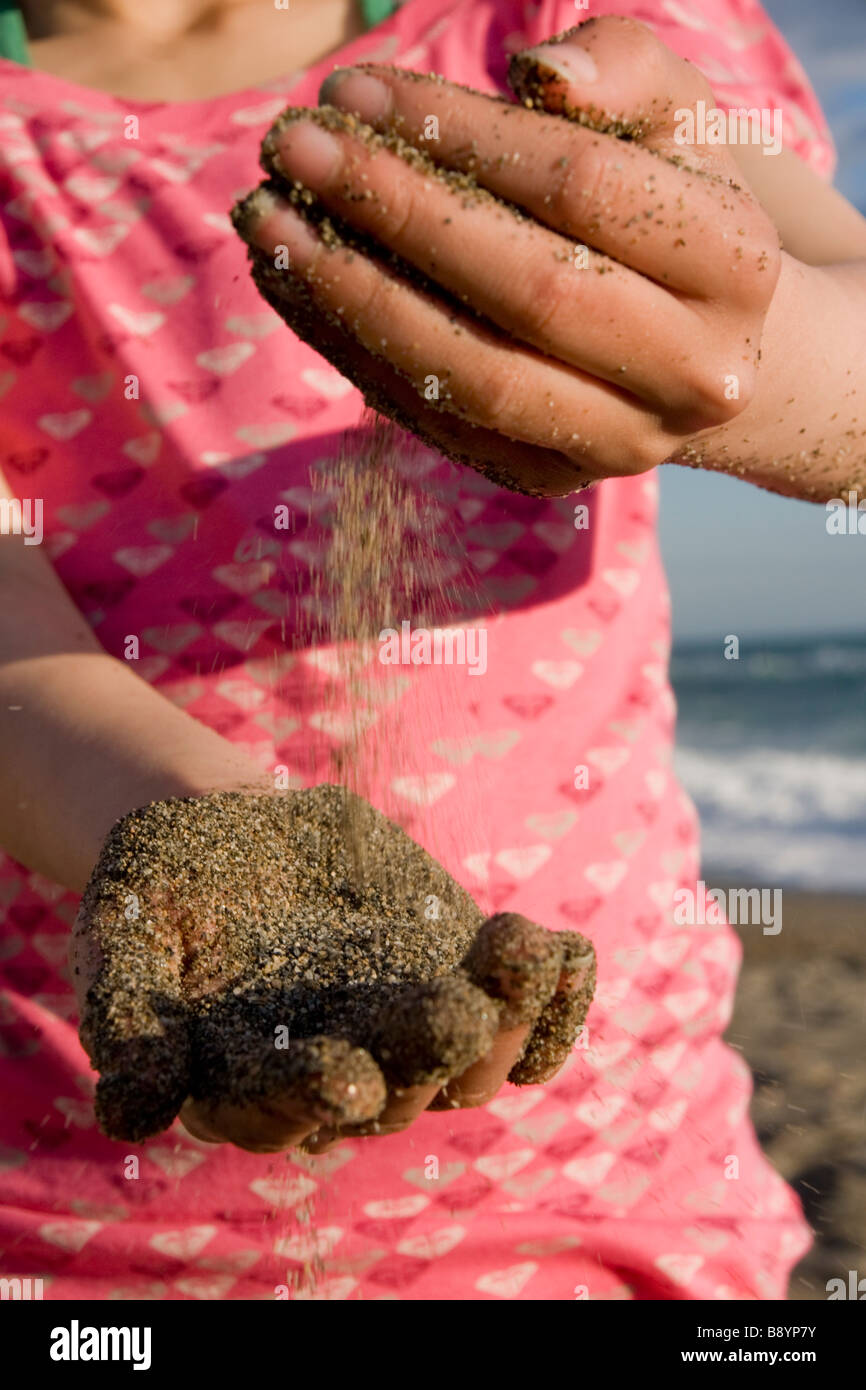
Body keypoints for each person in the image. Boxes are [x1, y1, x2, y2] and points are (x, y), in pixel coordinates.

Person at [0, 0, 864, 1302]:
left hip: (604, 1202)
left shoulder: (545, 33)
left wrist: (750, 353)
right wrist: (194, 822)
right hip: (73, 1233)